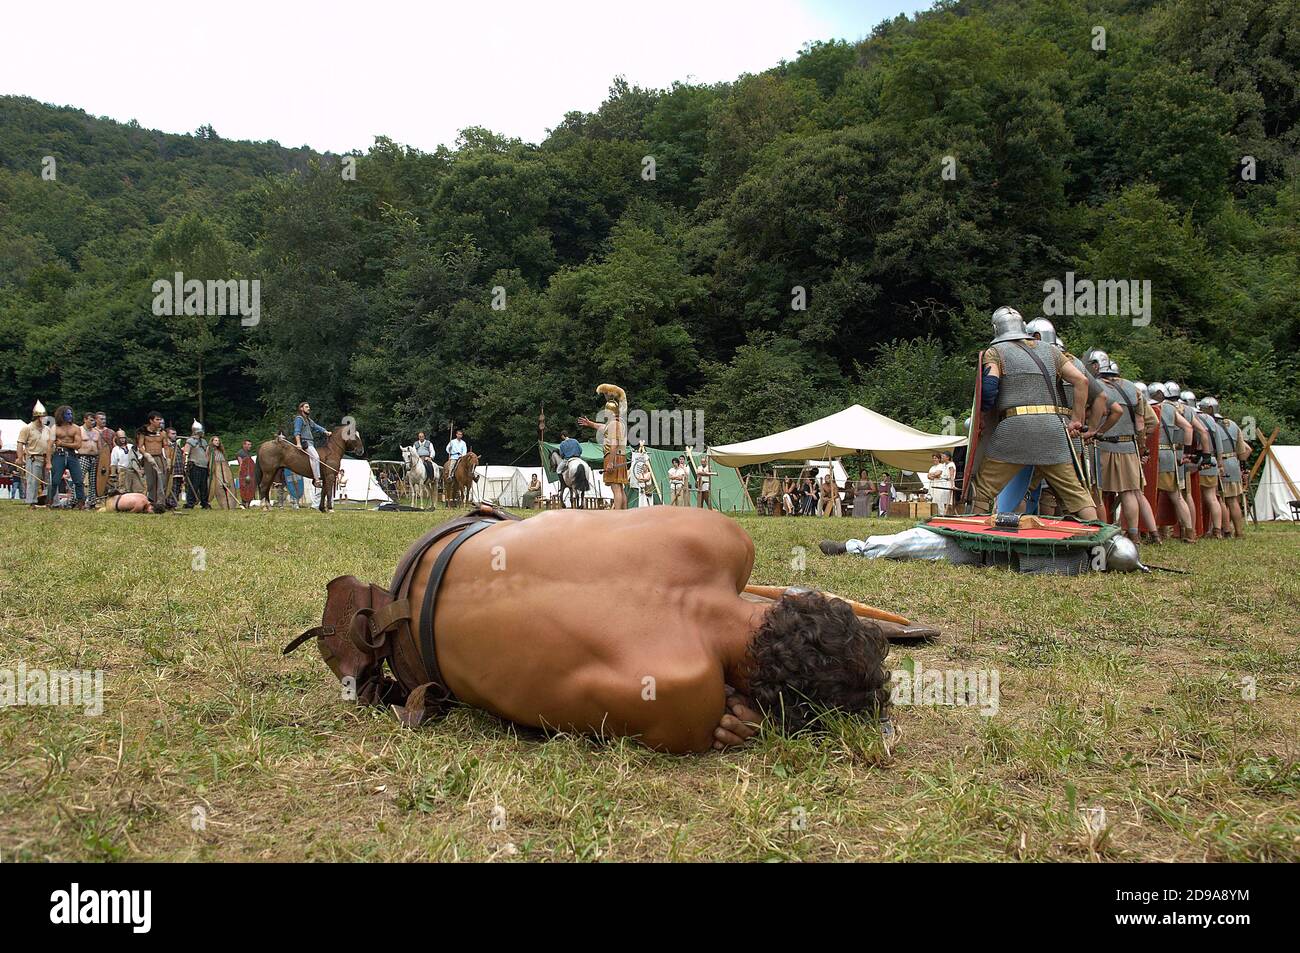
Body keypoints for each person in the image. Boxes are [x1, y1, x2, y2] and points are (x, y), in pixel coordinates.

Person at [292, 506, 896, 753]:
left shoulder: (719, 537)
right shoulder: (684, 694)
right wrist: (746, 719)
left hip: (447, 542)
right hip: (413, 654)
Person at [968, 308, 1099, 520]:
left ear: (995, 329)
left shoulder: (996, 352)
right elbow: (1081, 381)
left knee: (982, 491)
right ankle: (1096, 541)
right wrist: (1076, 420)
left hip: (1014, 429)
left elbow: (990, 388)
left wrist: (983, 417)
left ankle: (971, 538)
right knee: (1077, 495)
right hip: (1053, 429)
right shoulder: (1051, 351)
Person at [1146, 383, 1196, 542]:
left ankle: (1147, 532)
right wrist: (1187, 453)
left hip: (1153, 455)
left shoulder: (1148, 407)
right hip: (1169, 453)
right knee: (1177, 496)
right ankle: (1189, 532)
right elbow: (1188, 428)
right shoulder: (1170, 409)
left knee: (1146, 495)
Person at [578, 384, 629, 510]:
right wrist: (590, 424)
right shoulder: (617, 423)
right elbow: (602, 428)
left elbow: (613, 445)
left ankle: (617, 514)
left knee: (615, 488)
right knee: (620, 487)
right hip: (620, 456)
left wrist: (610, 462)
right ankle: (624, 513)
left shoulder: (613, 424)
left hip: (613, 457)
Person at [48, 405, 87, 508]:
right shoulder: (55, 428)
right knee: (55, 480)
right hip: (58, 454)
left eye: (70, 414)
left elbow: (78, 445)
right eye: (67, 414)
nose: (70, 416)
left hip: (72, 454)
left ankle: (81, 502)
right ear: (62, 415)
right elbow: (49, 445)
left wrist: (63, 444)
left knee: (78, 480)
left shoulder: (76, 428)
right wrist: (48, 461)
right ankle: (50, 501)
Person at [16, 400, 53, 506]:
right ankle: (31, 502)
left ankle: (49, 501)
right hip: (33, 457)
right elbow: (20, 443)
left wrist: (49, 459)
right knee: (32, 481)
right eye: (43, 416)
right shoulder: (27, 428)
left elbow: (50, 445)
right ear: (37, 417)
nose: (45, 419)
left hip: (46, 458)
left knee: (49, 481)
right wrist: (19, 458)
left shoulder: (47, 429)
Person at [136, 412, 169, 508]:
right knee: (151, 481)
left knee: (161, 480)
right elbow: (140, 446)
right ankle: (152, 501)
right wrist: (146, 454)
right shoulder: (144, 432)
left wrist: (168, 459)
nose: (159, 422)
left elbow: (166, 446)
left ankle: (161, 502)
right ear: (151, 420)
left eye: (160, 419)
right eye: (157, 419)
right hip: (149, 459)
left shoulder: (162, 433)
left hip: (159, 457)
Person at [293, 402, 329, 488]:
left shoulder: (308, 420)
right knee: (316, 457)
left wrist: (325, 431)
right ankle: (317, 480)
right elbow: (297, 431)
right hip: (305, 442)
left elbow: (316, 426)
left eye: (308, 407)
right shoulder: (299, 419)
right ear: (301, 409)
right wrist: (298, 443)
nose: (309, 408)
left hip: (311, 442)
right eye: (306, 407)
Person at [183, 420, 212, 509]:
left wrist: (208, 464)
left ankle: (204, 503)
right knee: (193, 485)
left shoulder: (203, 441)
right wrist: (185, 464)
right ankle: (190, 503)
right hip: (195, 465)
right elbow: (186, 453)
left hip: (203, 466)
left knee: (204, 486)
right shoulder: (190, 441)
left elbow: (207, 454)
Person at [78, 411, 101, 506]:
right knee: (79, 479)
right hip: (83, 456)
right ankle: (76, 500)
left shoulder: (97, 432)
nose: (93, 422)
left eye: (94, 421)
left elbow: (99, 447)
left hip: (94, 457)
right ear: (85, 420)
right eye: (91, 420)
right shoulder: (79, 430)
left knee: (93, 481)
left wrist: (101, 458)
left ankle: (92, 501)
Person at [209, 436, 237, 508]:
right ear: (212, 441)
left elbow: (225, 463)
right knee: (219, 486)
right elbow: (209, 460)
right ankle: (222, 504)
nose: (217, 442)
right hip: (216, 470)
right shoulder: (209, 450)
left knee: (227, 484)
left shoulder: (221, 451)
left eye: (218, 440)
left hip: (224, 469)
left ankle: (230, 504)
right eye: (215, 440)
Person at [236, 439, 256, 507]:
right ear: (244, 445)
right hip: (244, 474)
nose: (250, 446)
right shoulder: (240, 453)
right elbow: (241, 464)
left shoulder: (248, 453)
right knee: (244, 488)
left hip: (249, 474)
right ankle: (244, 502)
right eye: (248, 444)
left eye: (250, 444)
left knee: (249, 488)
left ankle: (248, 503)